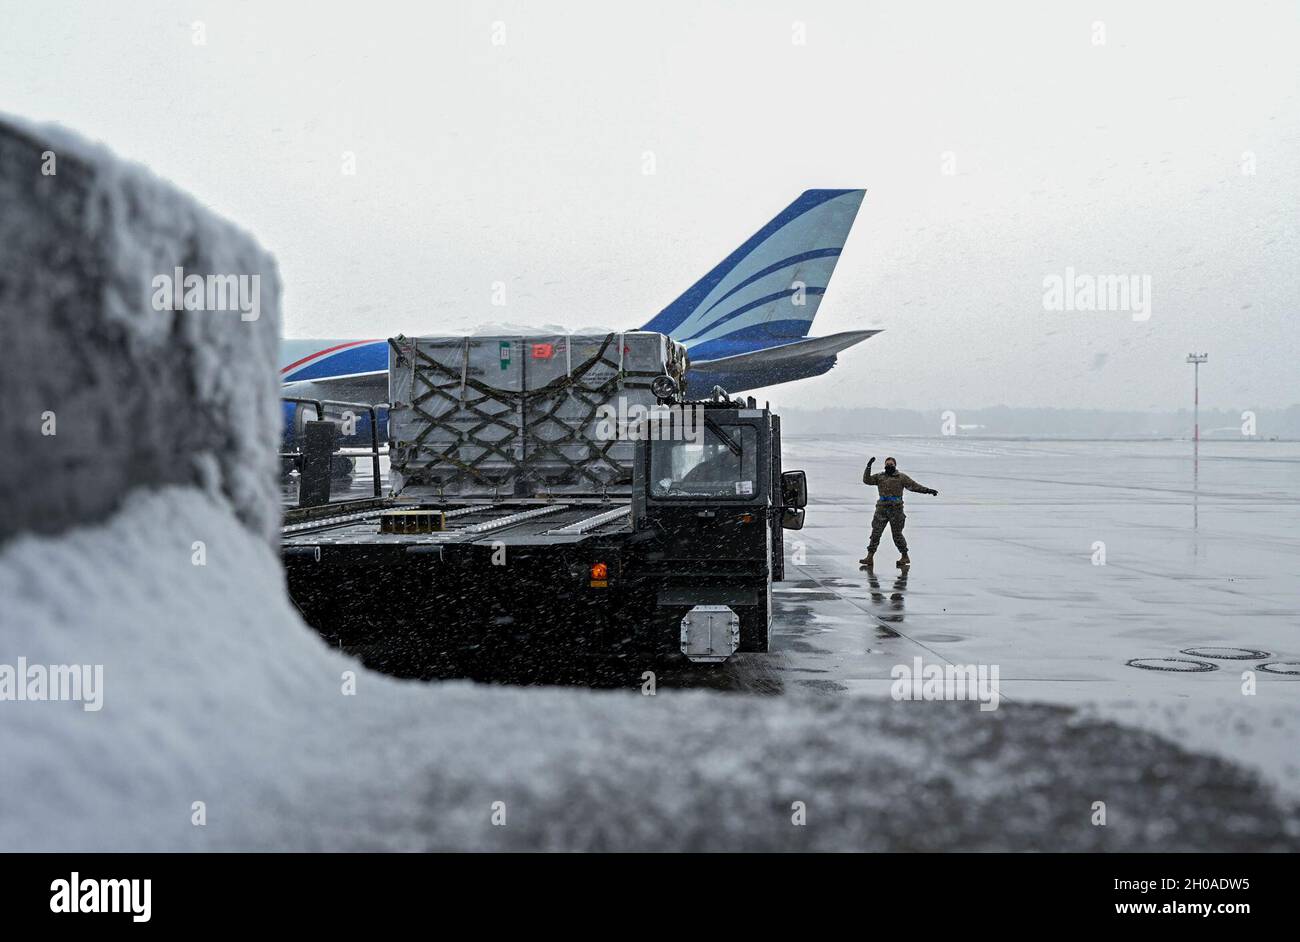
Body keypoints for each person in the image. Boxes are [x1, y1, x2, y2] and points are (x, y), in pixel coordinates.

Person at [860, 456, 938, 568]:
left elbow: (914, 486)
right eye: (887, 464)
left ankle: (905, 556)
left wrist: (928, 491)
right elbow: (866, 480)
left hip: (896, 510)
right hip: (881, 510)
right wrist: (868, 466)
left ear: (895, 465)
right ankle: (869, 557)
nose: (889, 466)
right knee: (875, 534)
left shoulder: (901, 477)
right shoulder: (879, 477)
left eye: (891, 464)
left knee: (897, 535)